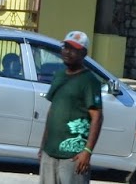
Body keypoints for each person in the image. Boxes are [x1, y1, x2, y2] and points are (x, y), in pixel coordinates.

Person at [39, 30, 102, 184]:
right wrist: (43, 145)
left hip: (73, 157)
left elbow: (97, 117)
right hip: (50, 153)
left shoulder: (89, 81)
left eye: (73, 49)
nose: (67, 52)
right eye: (65, 47)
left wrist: (87, 152)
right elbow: (52, 111)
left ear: (84, 53)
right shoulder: (59, 75)